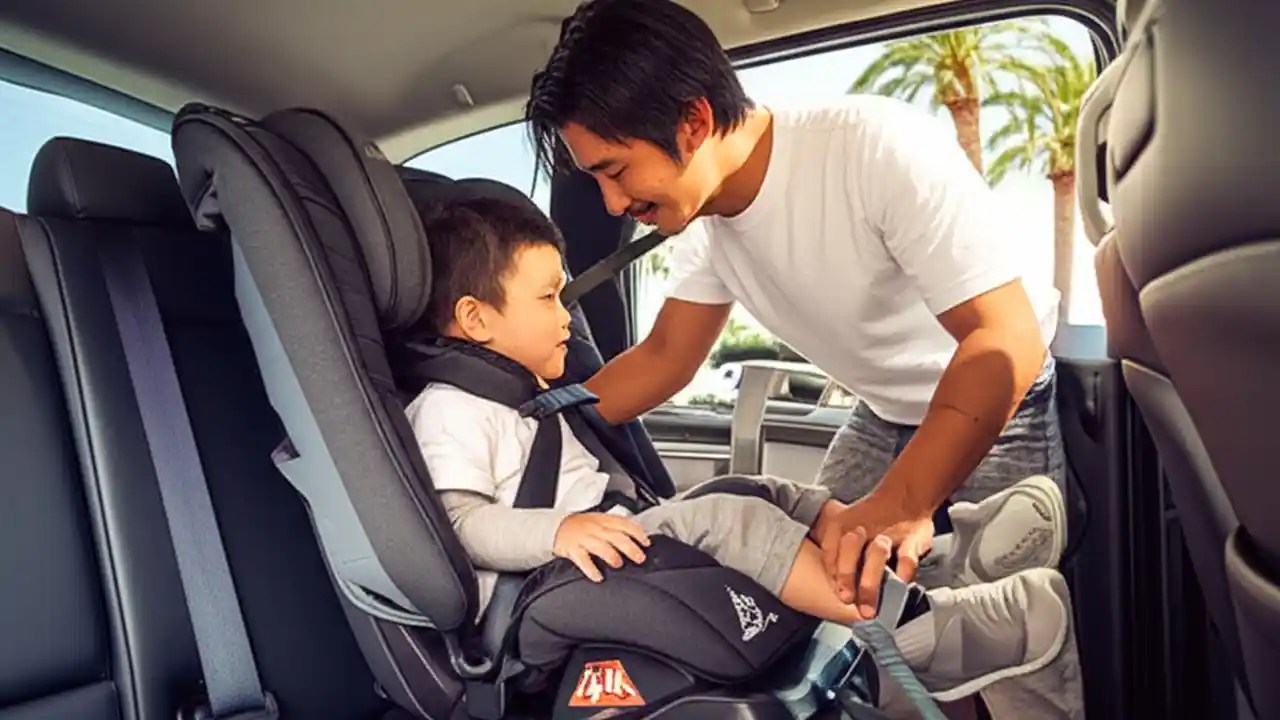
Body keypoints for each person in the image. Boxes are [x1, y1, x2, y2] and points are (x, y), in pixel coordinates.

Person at [401, 195, 1076, 711]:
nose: (566, 317)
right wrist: (559, 531)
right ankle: (908, 627)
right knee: (731, 518)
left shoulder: (527, 402)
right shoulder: (449, 410)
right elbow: (459, 524)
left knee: (762, 491)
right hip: (548, 582)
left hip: (614, 541)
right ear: (475, 319)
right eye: (548, 299)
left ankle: (937, 554)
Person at [523, 0, 1065, 615]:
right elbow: (666, 357)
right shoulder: (703, 220)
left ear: (694, 121)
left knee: (1001, 625)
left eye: (615, 171)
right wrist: (528, 417)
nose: (613, 204)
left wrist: (903, 503)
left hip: (1003, 400)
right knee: (821, 588)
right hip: (883, 410)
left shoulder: (872, 147)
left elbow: (1005, 336)